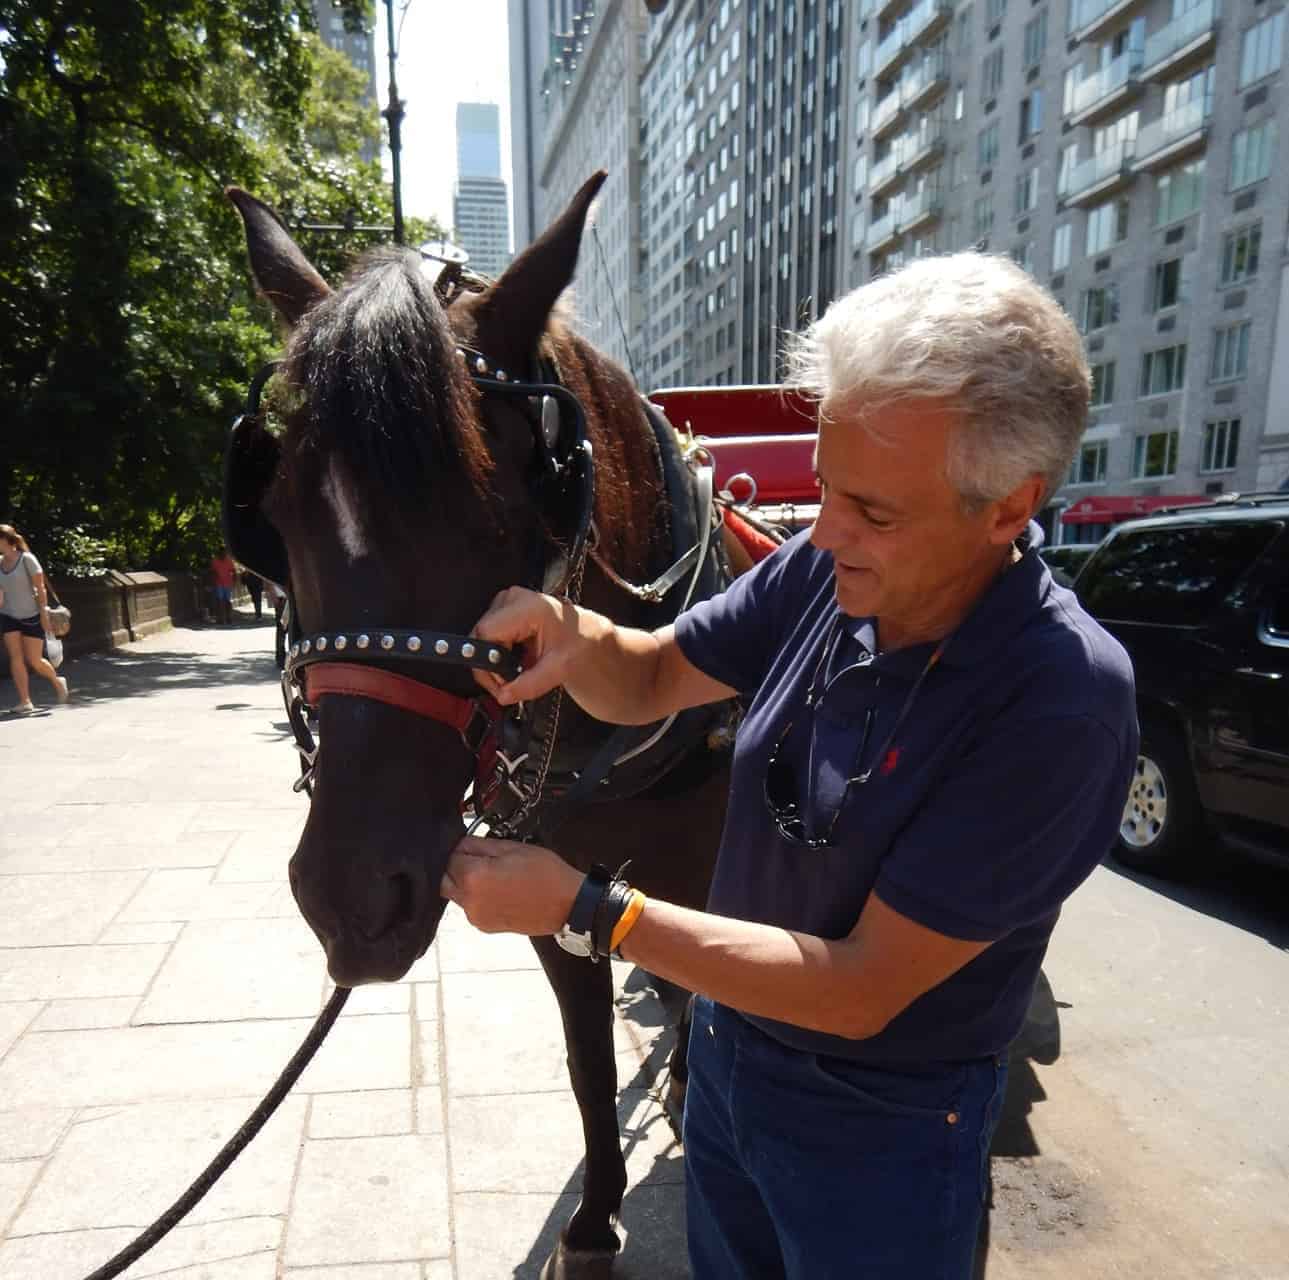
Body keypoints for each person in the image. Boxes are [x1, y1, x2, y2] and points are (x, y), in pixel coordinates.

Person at [440, 253, 1139, 1279]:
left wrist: (587, 910)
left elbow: (860, 989)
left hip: (881, 1127)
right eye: (821, 486)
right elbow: (652, 675)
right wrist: (573, 633)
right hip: (727, 1058)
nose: (824, 529)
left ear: (1006, 506)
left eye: (872, 509)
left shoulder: (1058, 694)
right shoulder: (825, 568)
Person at [1, 525, 69, 714]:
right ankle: (25, 701)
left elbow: (40, 588)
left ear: (7, 540)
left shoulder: (27, 559)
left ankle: (57, 682)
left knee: (35, 660)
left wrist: (43, 612)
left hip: (31, 615)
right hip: (9, 616)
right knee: (15, 658)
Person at [209, 547, 238, 625]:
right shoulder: (215, 561)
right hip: (219, 584)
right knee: (220, 601)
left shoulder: (229, 561)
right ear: (219, 553)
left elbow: (234, 571)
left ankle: (229, 618)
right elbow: (212, 572)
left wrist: (234, 582)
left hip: (228, 584)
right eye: (221, 553)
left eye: (224, 553)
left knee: (227, 601)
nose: (223, 555)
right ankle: (221, 618)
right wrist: (213, 582)